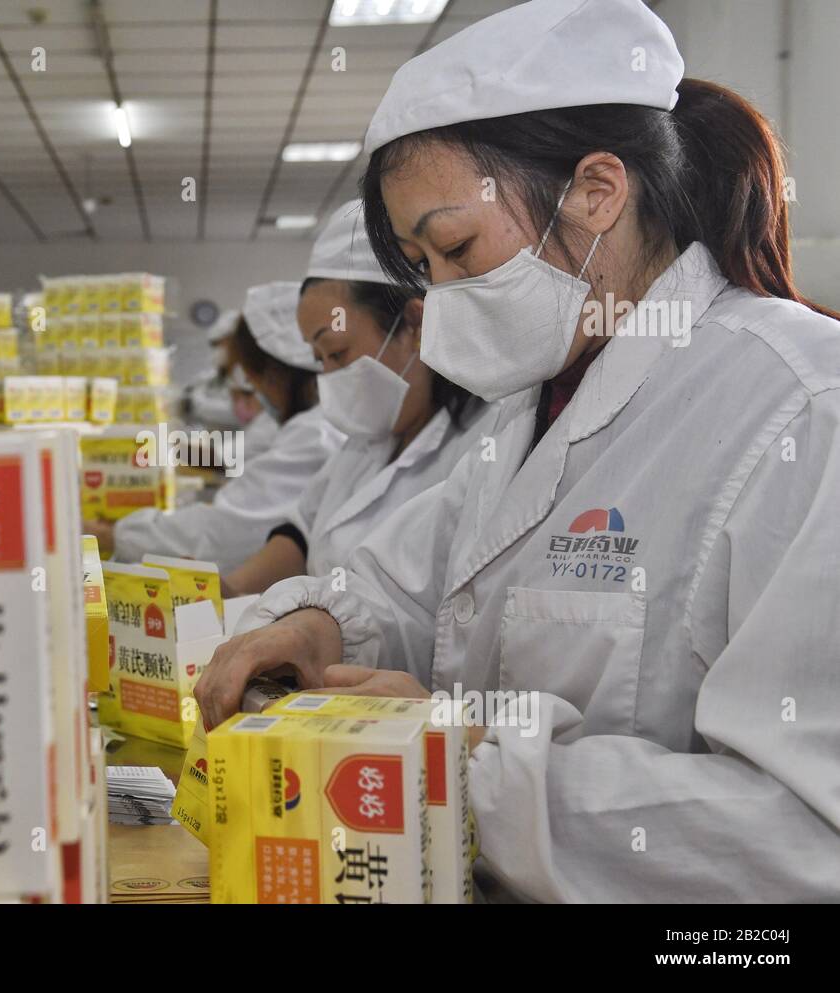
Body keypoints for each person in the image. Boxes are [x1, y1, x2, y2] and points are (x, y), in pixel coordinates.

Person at [196, 0, 840, 902]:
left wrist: (468, 766)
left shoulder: (803, 407)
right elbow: (421, 583)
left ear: (596, 193)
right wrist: (321, 627)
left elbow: (806, 839)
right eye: (424, 267)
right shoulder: (537, 399)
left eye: (457, 248)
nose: (444, 299)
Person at [223, 201, 493, 596]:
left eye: (336, 352)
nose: (329, 376)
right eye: (318, 360)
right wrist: (229, 590)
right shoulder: (369, 438)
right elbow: (301, 531)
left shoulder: (485, 443)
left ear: (414, 325)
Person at [88, 282, 345, 572]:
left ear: (274, 375)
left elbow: (226, 529)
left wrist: (115, 535)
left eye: (253, 380)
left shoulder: (315, 433)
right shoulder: (308, 423)